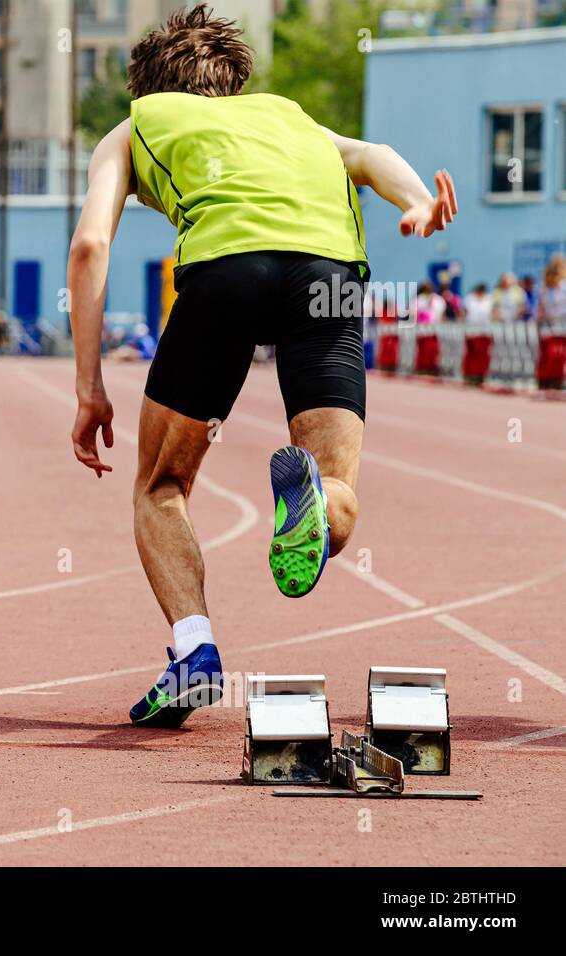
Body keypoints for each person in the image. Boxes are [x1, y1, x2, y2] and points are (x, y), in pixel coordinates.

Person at [66, 4, 456, 728]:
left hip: (228, 272)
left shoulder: (136, 125)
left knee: (162, 486)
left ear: (147, 87)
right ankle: (312, 497)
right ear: (234, 83)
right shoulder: (290, 117)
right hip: (330, 275)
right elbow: (371, 155)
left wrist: (89, 388)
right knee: (339, 488)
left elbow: (90, 245)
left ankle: (194, 652)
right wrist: (420, 204)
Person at [537, 256, 566, 326]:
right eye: (551, 274)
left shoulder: (564, 287)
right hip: (549, 325)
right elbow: (541, 309)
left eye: (556, 274)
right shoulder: (543, 290)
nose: (553, 277)